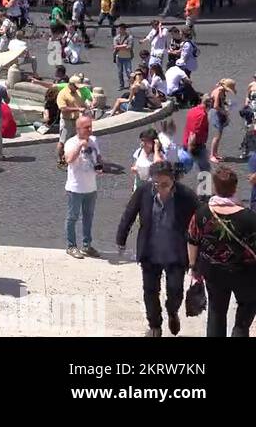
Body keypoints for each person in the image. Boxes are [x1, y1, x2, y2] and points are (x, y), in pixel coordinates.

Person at [117, 160, 198, 337]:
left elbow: (200, 219)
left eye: (165, 185)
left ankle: (172, 311)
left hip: (175, 252)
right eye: (156, 184)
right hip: (150, 251)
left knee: (175, 290)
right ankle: (154, 325)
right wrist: (121, 238)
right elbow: (129, 213)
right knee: (150, 291)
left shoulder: (186, 195)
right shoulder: (144, 191)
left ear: (173, 180)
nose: (160, 189)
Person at [187, 166, 256, 337]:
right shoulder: (249, 217)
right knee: (243, 319)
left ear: (215, 188)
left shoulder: (202, 213)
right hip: (245, 274)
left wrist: (193, 266)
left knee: (216, 314)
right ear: (235, 188)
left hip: (213, 272)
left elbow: (192, 240)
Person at [64, 116, 103, 259]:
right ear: (78, 128)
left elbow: (98, 157)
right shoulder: (71, 142)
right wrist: (80, 145)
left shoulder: (94, 140)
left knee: (88, 217)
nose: (90, 130)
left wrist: (100, 165)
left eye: (91, 126)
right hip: (75, 188)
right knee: (72, 217)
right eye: (87, 127)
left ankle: (87, 245)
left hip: (91, 187)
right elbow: (68, 159)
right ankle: (71, 246)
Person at [183, 95, 214, 173]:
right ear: (209, 104)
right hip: (196, 146)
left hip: (187, 141)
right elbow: (194, 133)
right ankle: (204, 184)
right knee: (205, 170)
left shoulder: (192, 110)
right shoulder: (202, 115)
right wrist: (190, 151)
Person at [210, 79, 236, 162]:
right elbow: (216, 106)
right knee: (217, 136)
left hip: (218, 113)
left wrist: (227, 104)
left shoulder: (221, 90)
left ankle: (215, 153)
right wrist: (225, 112)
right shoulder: (218, 92)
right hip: (216, 114)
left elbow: (220, 102)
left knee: (219, 135)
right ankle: (212, 155)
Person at [113, 23, 134, 90]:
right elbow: (115, 47)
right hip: (119, 57)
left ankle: (131, 84)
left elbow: (129, 47)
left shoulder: (129, 37)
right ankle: (121, 85)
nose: (119, 30)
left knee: (129, 72)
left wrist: (120, 47)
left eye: (121, 29)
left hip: (127, 57)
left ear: (124, 29)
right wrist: (124, 46)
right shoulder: (116, 38)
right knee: (120, 72)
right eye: (119, 29)